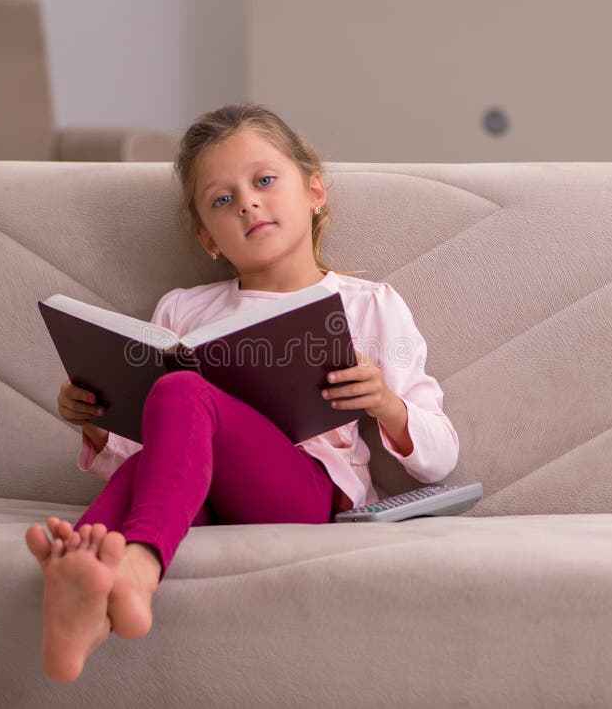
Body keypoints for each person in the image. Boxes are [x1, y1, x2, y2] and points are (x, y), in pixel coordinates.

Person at [24, 103, 459, 683]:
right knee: (165, 428)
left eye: (264, 181)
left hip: (306, 496)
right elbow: (152, 464)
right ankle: (90, 594)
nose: (248, 202)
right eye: (222, 199)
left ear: (314, 190)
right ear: (207, 237)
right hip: (200, 492)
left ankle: (116, 561)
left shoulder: (369, 305)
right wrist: (99, 424)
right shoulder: (184, 310)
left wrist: (384, 404)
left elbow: (441, 458)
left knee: (182, 391)